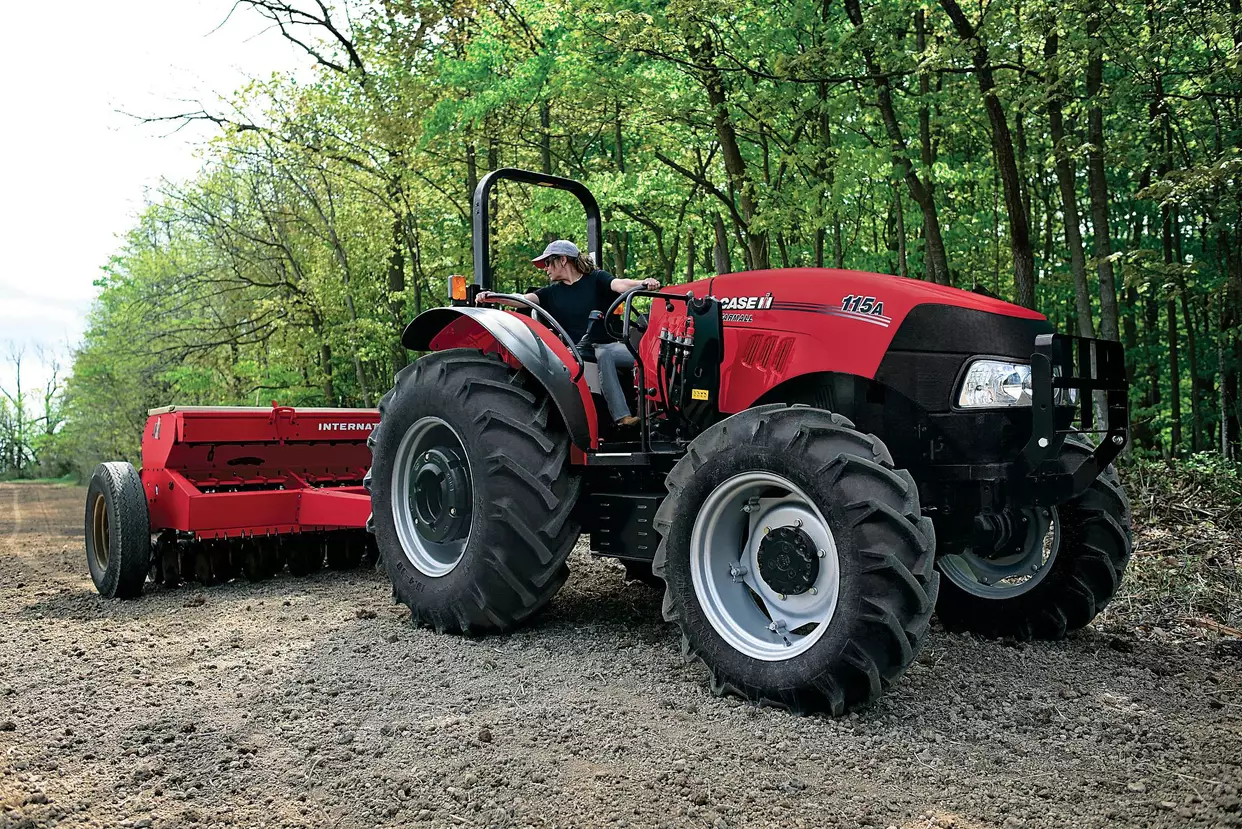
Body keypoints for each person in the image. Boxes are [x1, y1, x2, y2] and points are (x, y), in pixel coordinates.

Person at [478, 239, 659, 427]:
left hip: (611, 346)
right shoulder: (551, 293)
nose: (545, 269)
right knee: (605, 355)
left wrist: (644, 283)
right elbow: (522, 300)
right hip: (579, 353)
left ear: (563, 260)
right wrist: (493, 296)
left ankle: (658, 413)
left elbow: (620, 285)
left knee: (652, 357)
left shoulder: (597, 279)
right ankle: (622, 417)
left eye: (548, 263)